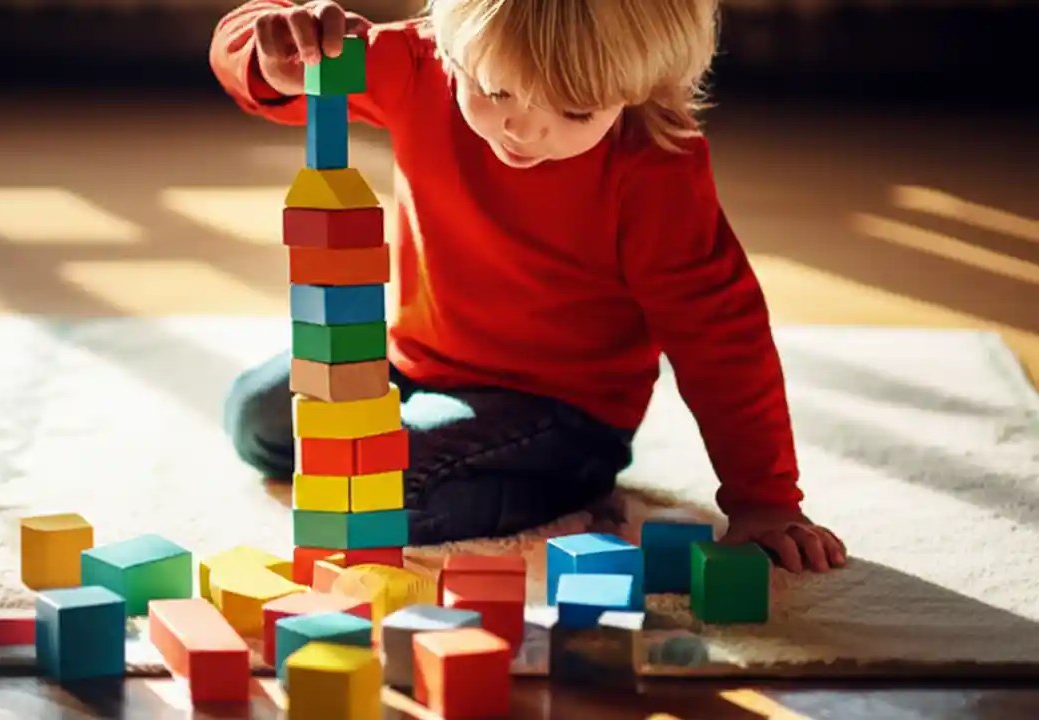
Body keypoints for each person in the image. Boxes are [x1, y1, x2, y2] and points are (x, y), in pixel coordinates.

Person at [210, 0, 847, 573]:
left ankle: (572, 487)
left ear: (641, 84)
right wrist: (273, 55)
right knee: (256, 416)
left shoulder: (656, 164)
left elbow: (722, 335)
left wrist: (766, 500)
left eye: (574, 110)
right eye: (496, 89)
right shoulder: (420, 65)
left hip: (561, 410)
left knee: (384, 492)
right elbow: (242, 48)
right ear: (455, 46)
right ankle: (436, 446)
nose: (525, 128)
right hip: (416, 361)